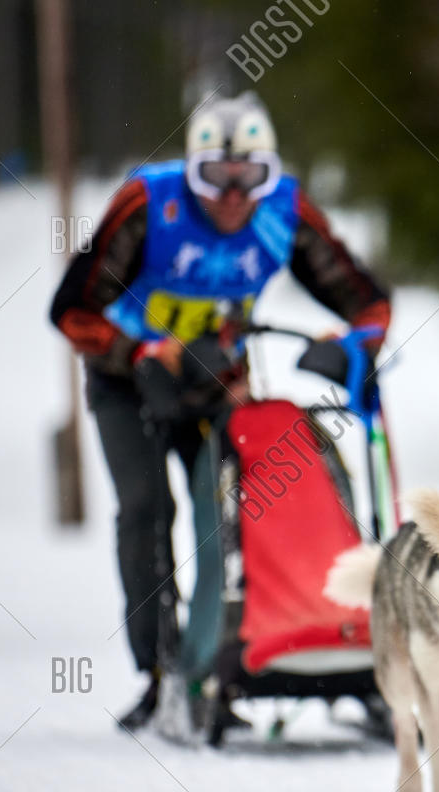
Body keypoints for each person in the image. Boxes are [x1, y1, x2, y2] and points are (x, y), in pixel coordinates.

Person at [50, 92, 390, 729]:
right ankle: (160, 673)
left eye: (250, 180)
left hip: (217, 385)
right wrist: (141, 352)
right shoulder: (148, 205)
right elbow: (71, 309)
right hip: (130, 384)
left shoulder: (284, 213)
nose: (233, 197)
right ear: (190, 171)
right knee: (149, 510)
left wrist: (359, 346)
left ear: (269, 174)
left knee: (230, 513)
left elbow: (362, 296)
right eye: (216, 179)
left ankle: (222, 656)